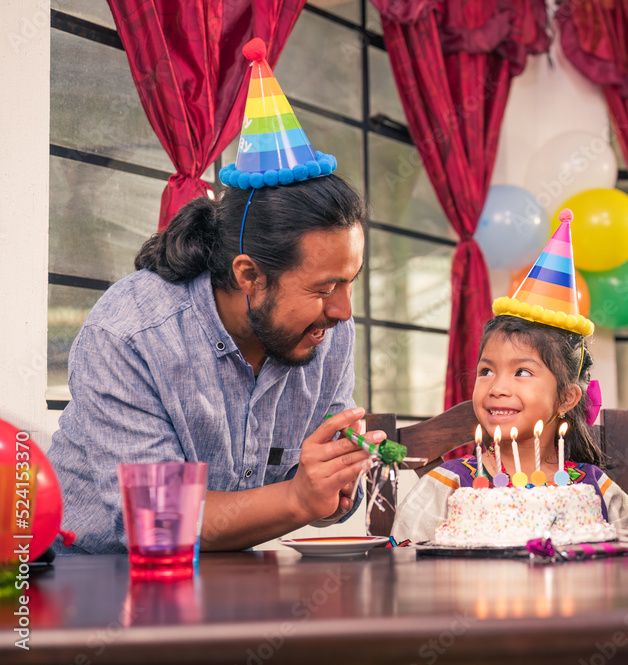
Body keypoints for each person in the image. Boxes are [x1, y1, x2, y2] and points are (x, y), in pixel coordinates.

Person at [47, 38, 382, 554]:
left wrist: (337, 484)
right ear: (249, 274)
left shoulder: (326, 329)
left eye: (349, 281)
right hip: (94, 583)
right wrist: (297, 497)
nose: (342, 311)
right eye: (323, 289)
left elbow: (312, 487)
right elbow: (159, 523)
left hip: (230, 579)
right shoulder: (131, 333)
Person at [392, 214, 628, 544]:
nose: (497, 388)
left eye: (522, 372)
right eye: (486, 371)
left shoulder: (596, 491)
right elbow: (405, 572)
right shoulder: (445, 486)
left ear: (567, 398)